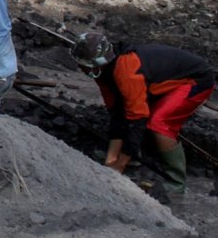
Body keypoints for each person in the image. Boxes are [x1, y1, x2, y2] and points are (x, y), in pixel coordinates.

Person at [74, 32, 214, 196]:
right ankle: (130, 157)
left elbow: (137, 119)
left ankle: (176, 182)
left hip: (195, 80)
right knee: (129, 113)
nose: (80, 68)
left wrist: (119, 167)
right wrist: (111, 160)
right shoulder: (101, 73)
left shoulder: (127, 71)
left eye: (83, 65)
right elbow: (117, 113)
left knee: (158, 123)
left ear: (97, 63)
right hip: (159, 79)